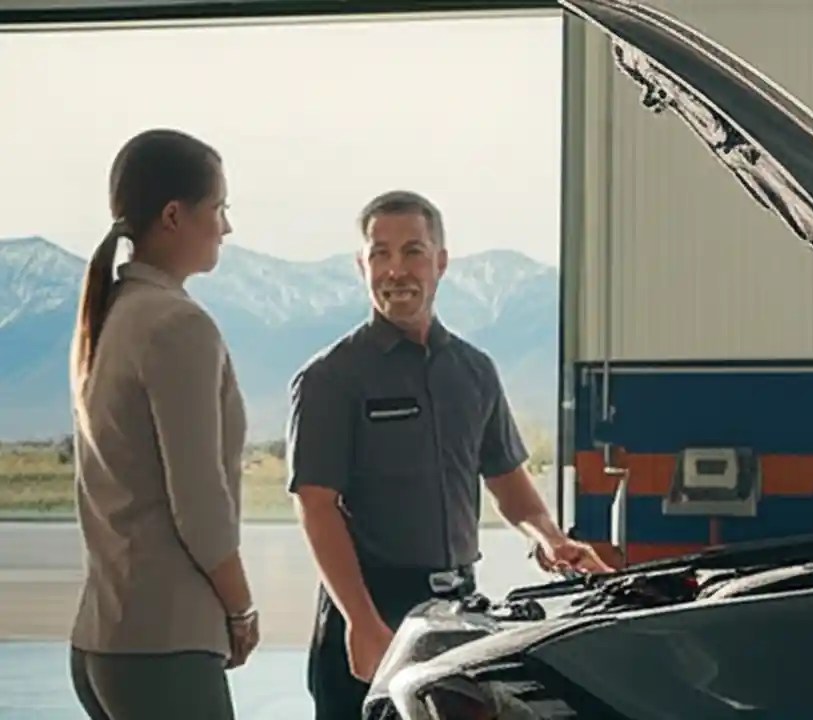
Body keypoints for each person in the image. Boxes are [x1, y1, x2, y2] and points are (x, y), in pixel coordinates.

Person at [287, 189, 612, 718]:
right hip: (374, 608)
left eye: (413, 251)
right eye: (380, 254)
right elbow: (316, 506)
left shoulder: (474, 370)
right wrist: (362, 623)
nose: (396, 269)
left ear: (440, 261)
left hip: (457, 613)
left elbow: (509, 482)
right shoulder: (331, 378)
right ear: (360, 265)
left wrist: (551, 539)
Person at [67, 128, 259, 720]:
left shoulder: (110, 316)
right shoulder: (178, 326)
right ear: (175, 216)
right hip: (165, 645)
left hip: (104, 641)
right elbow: (199, 502)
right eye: (219, 208)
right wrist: (241, 608)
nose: (225, 226)